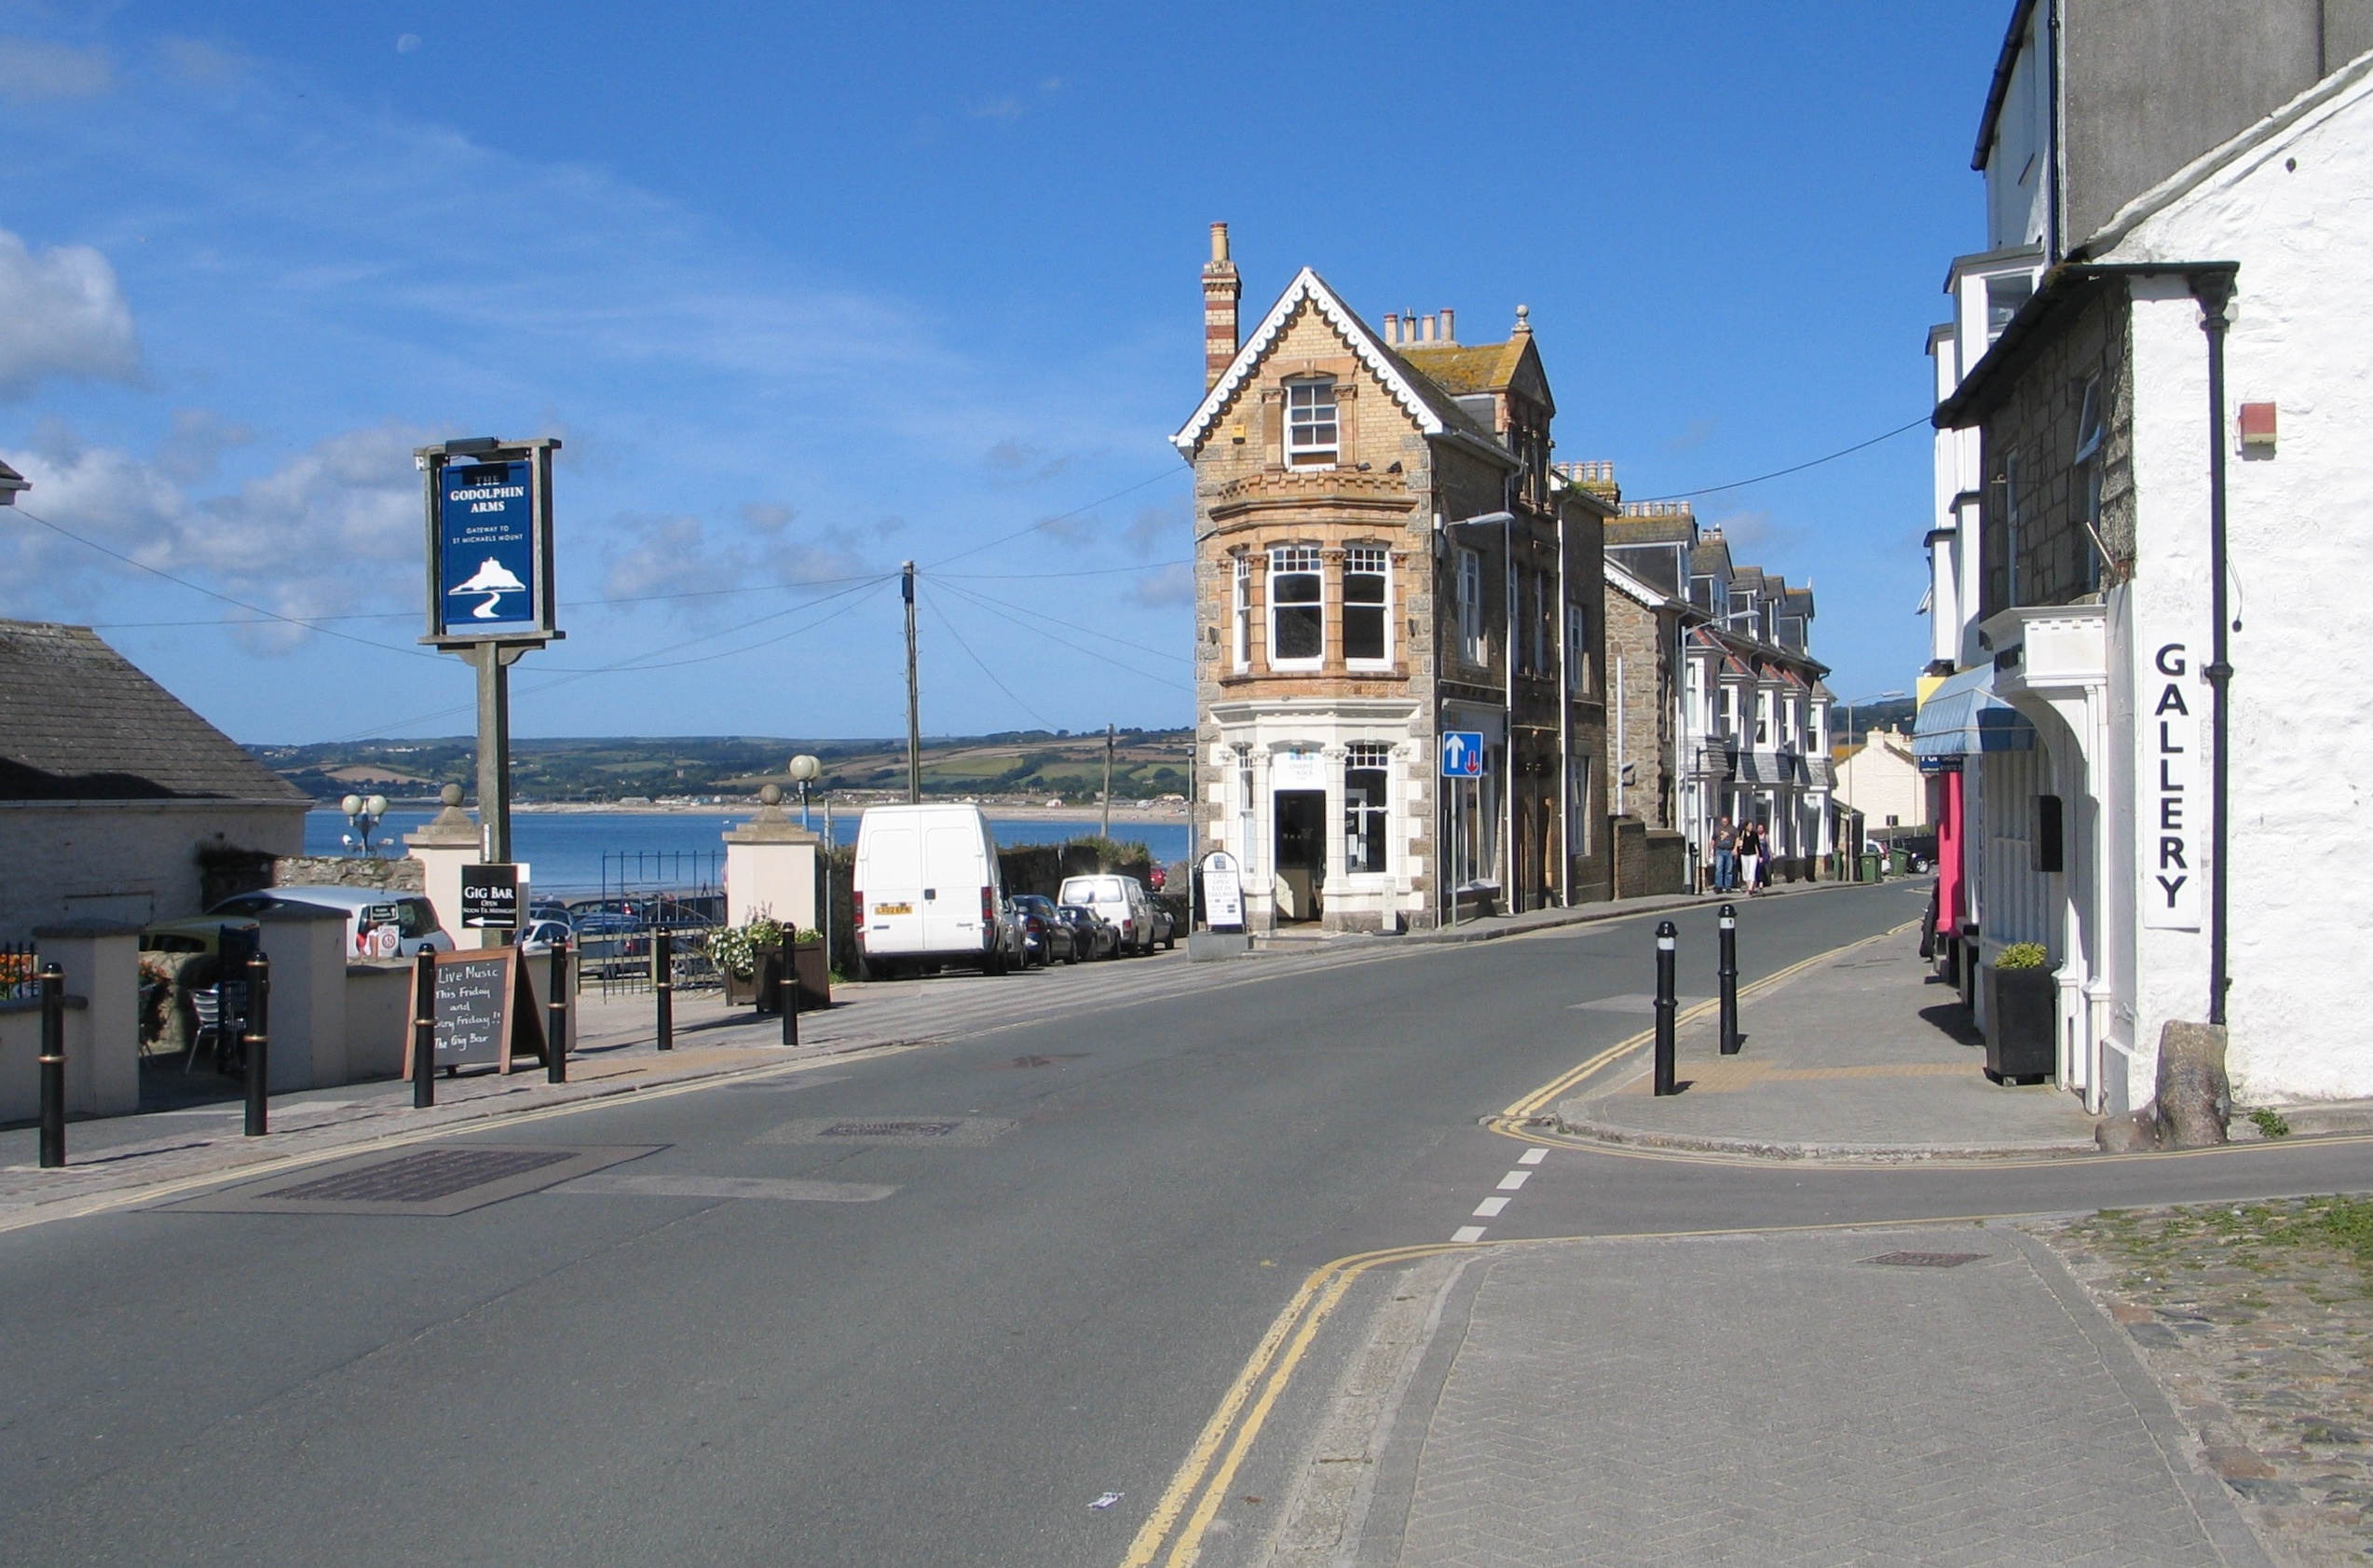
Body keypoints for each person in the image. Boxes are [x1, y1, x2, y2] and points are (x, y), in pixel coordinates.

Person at [1738, 820, 1765, 895]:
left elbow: (1757, 845)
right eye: (1749, 826)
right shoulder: (1742, 833)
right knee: (1746, 872)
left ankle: (1750, 889)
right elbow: (1738, 843)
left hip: (1753, 855)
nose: (1751, 827)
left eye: (1752, 826)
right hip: (1744, 854)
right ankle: (1749, 887)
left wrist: (1760, 856)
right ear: (1746, 827)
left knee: (1751, 871)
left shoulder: (1754, 834)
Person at [1710, 817, 1735, 893]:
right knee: (1719, 869)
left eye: (1725, 821)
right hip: (1719, 850)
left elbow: (1737, 838)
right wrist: (1711, 849)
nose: (1724, 823)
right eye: (1723, 821)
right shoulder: (1717, 829)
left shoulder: (1732, 829)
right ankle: (1718, 886)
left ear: (1728, 821)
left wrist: (1735, 849)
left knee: (1729, 870)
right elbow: (1713, 839)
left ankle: (1728, 886)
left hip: (1729, 851)